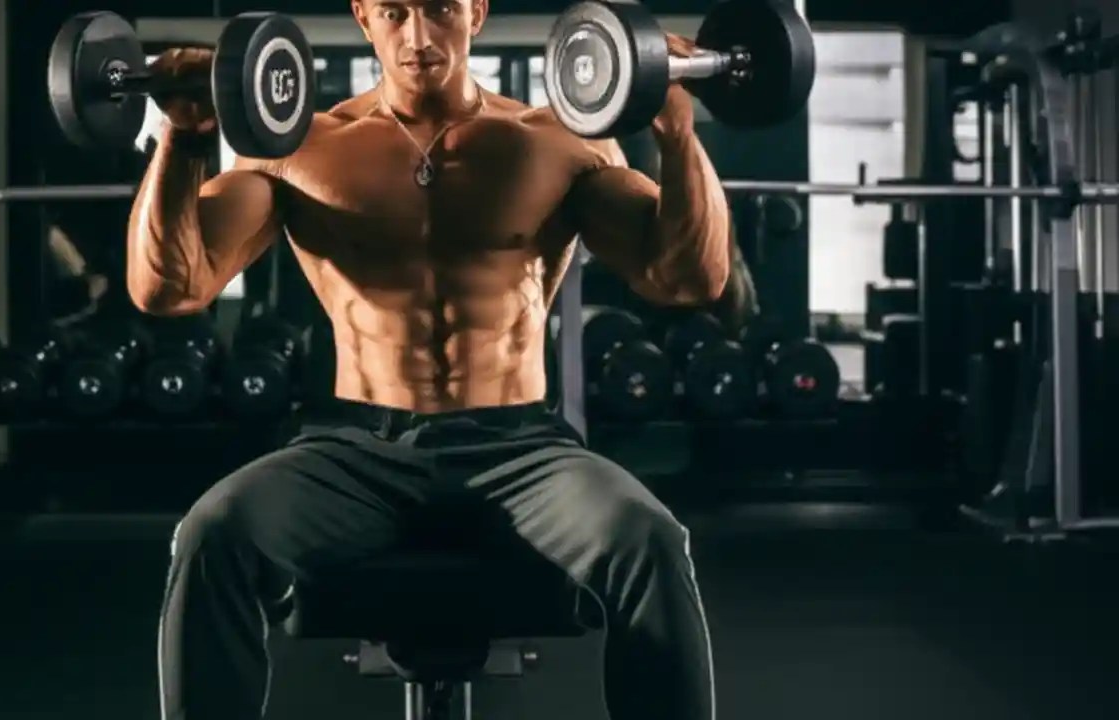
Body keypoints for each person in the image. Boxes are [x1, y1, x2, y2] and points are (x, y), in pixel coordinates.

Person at [130, 2, 731, 718]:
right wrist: (185, 136)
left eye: (442, 8)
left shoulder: (561, 141)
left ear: (475, 11)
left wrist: (676, 131)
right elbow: (168, 287)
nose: (418, 37)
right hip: (356, 449)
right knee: (210, 534)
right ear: (363, 15)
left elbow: (692, 278)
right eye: (393, 11)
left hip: (520, 449)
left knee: (652, 539)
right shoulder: (300, 147)